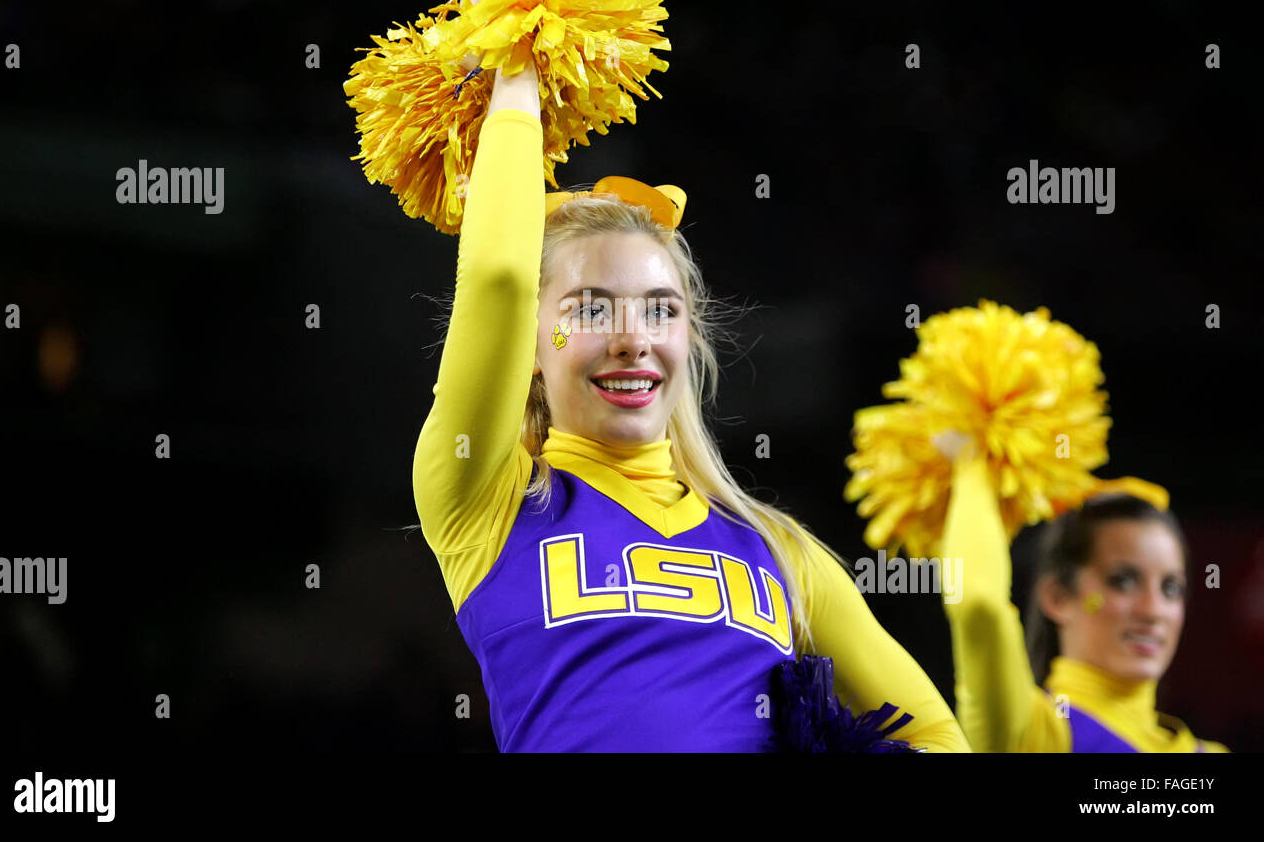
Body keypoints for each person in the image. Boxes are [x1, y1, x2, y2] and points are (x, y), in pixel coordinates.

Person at [412, 56, 970, 752]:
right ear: (526, 344)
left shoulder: (781, 552)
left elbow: (940, 735)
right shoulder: (485, 501)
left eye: (660, 310)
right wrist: (521, 57)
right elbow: (497, 275)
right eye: (590, 309)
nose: (632, 340)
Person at [937, 437, 1228, 752]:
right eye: (1123, 581)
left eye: (1171, 588)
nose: (1153, 610)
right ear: (1057, 598)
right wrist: (972, 461)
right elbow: (979, 603)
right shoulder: (1037, 731)